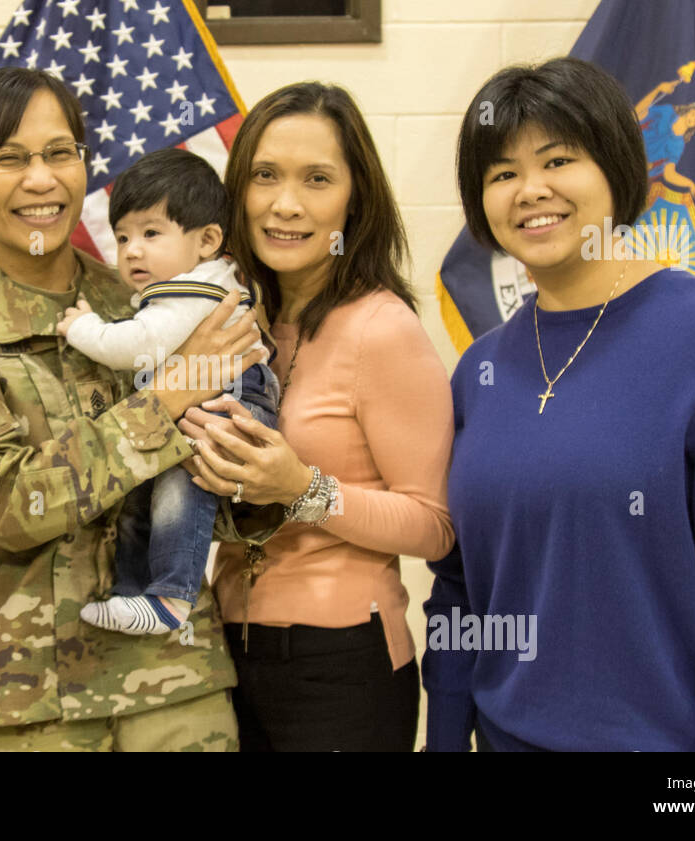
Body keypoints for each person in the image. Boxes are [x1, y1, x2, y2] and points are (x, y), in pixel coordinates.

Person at [423, 57, 695, 752]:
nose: (530, 190)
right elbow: (461, 589)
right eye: (501, 174)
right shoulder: (480, 370)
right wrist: (449, 734)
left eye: (558, 160)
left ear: (616, 166)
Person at [0, 67, 265, 751]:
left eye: (60, 153)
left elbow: (230, 491)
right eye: (10, 157)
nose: (41, 180)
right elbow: (7, 503)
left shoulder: (153, 301)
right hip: (22, 708)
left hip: (174, 687)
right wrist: (170, 394)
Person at [176, 82, 456, 751]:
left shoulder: (382, 328)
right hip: (227, 654)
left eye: (318, 179)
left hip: (341, 666)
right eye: (265, 175)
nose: (285, 203)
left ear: (355, 198)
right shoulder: (237, 321)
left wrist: (303, 489)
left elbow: (436, 526)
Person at [55, 148, 281, 636]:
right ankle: (135, 593)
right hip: (220, 403)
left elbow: (135, 344)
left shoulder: (187, 292)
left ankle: (172, 597)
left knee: (182, 487)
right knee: (143, 488)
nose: (132, 249)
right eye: (122, 237)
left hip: (233, 404)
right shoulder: (198, 279)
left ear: (207, 240)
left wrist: (82, 328)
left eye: (150, 233)